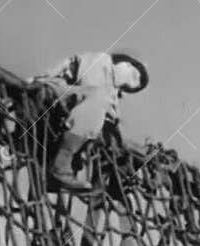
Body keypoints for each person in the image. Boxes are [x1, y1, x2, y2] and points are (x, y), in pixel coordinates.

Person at [30, 51, 148, 192]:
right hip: (53, 90)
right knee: (99, 99)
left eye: (133, 87)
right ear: (126, 64)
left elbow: (110, 119)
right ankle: (60, 166)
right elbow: (90, 85)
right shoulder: (101, 61)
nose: (131, 84)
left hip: (70, 101)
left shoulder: (111, 90)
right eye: (134, 76)